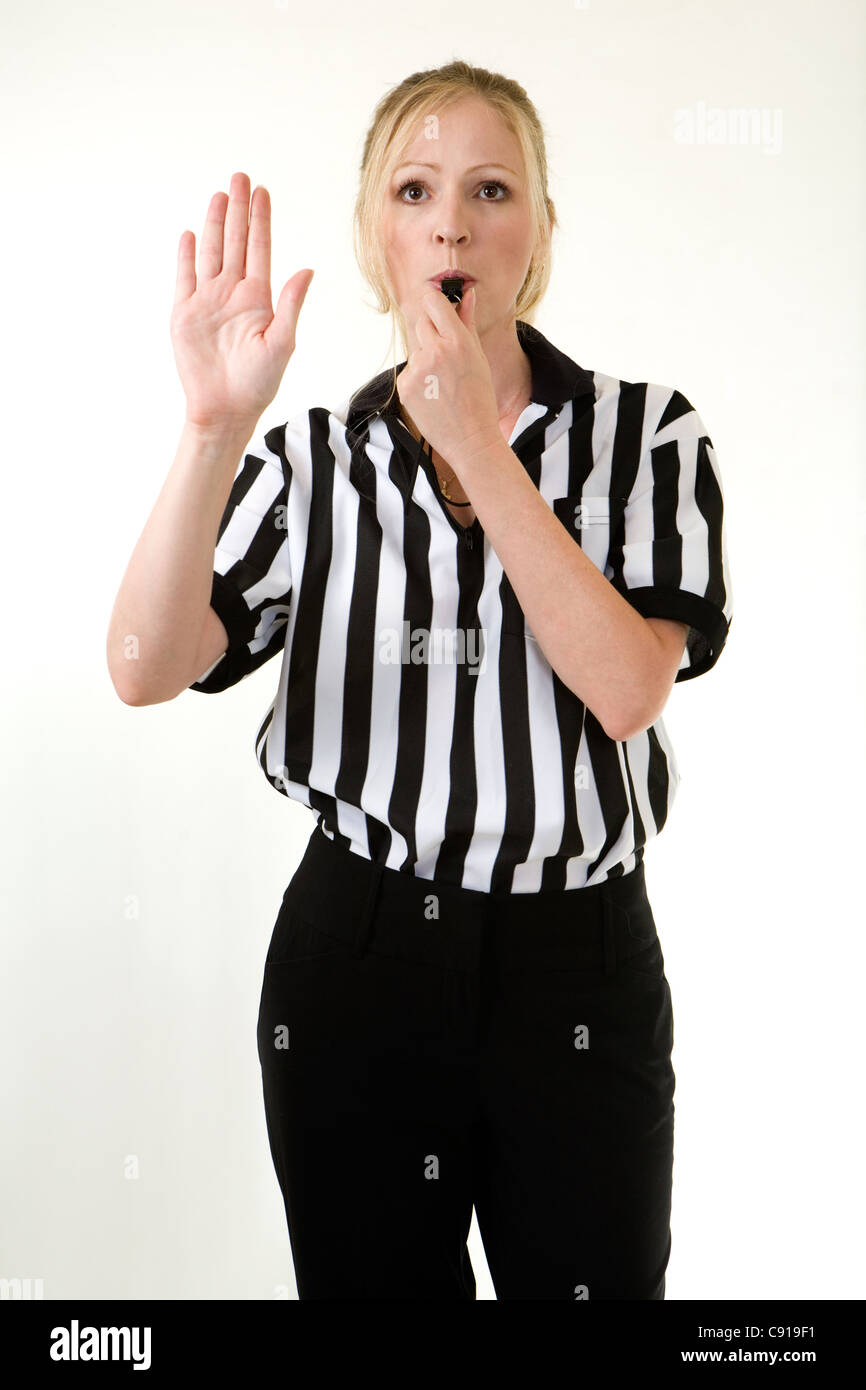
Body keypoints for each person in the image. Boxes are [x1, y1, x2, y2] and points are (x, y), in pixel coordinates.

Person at [107, 60, 733, 1300]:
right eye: (415, 189)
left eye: (491, 189)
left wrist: (475, 452)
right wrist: (210, 431)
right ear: (374, 234)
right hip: (360, 953)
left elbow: (624, 691)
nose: (451, 220)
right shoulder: (313, 458)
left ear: (539, 233)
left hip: (578, 965)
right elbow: (145, 665)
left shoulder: (648, 437)